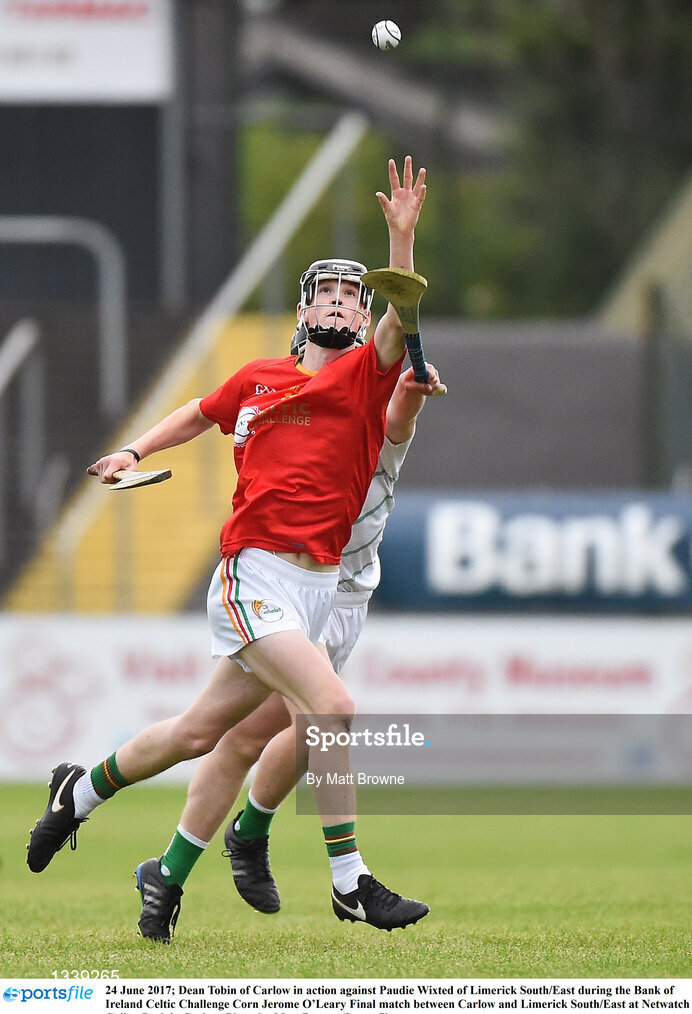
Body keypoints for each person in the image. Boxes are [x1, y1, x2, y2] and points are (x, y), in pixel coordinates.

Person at [26, 155, 441, 936]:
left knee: (196, 734)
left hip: (319, 588)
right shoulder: (256, 377)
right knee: (332, 707)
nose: (343, 304)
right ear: (304, 306)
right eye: (328, 290)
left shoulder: (364, 379)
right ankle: (350, 880)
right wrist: (135, 451)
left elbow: (404, 321)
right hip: (253, 573)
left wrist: (402, 241)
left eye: (355, 296)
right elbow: (195, 410)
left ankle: (77, 793)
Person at [134, 350, 438, 941]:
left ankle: (230, 838)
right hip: (284, 585)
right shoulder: (305, 405)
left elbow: (400, 407)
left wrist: (412, 385)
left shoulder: (373, 414)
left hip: (340, 598)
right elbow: (230, 414)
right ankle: (320, 871)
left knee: (303, 732)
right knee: (255, 733)